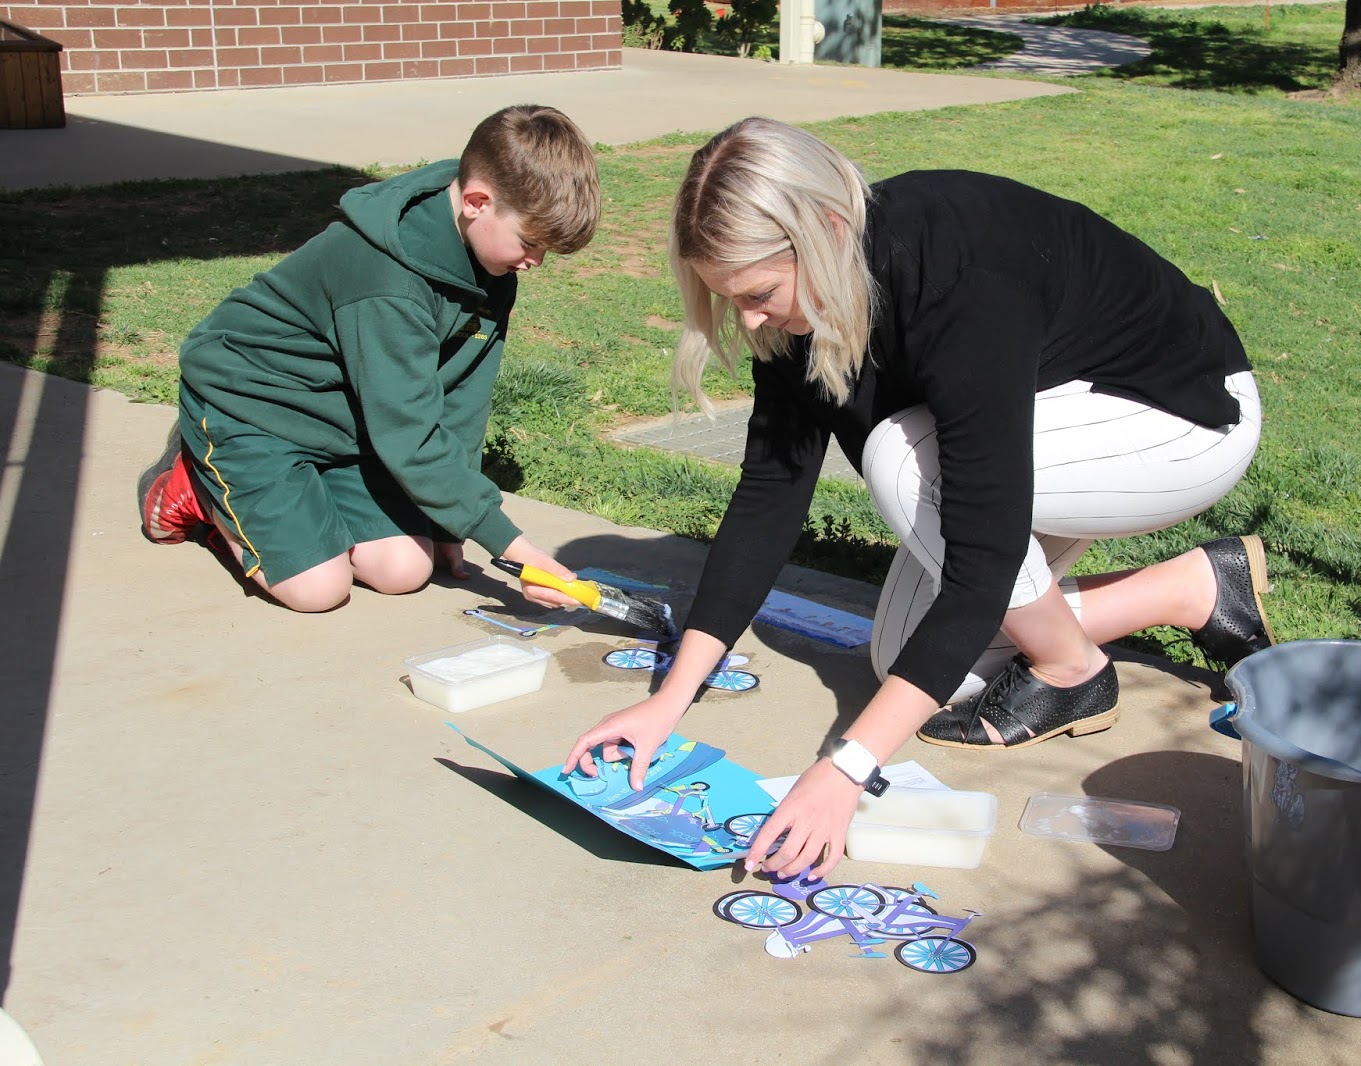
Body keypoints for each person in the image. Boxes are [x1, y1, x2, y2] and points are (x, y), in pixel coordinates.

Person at [563, 116, 1275, 879]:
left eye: (761, 294)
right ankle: (1192, 587)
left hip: (1178, 417)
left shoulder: (957, 282)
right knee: (907, 661)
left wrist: (844, 771)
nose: (749, 321)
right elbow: (771, 493)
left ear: (827, 230)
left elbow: (983, 563)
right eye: (728, 299)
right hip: (1059, 411)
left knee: (902, 464)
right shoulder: (806, 296)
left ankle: (1071, 669)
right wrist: (668, 701)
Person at [136, 104, 601, 613]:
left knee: (405, 570)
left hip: (348, 422)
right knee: (318, 589)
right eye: (531, 242)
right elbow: (407, 432)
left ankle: (304, 501)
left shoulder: (490, 263)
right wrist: (516, 551)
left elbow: (462, 397)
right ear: (476, 201)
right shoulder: (388, 285)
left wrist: (453, 523)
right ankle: (194, 481)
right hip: (254, 408)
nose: (534, 262)